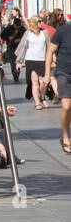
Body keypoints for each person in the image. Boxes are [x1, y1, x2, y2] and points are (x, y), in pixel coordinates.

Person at [45, 12, 71, 154]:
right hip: (64, 72)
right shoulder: (62, 32)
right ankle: (65, 136)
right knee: (66, 106)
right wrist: (48, 74)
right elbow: (50, 51)